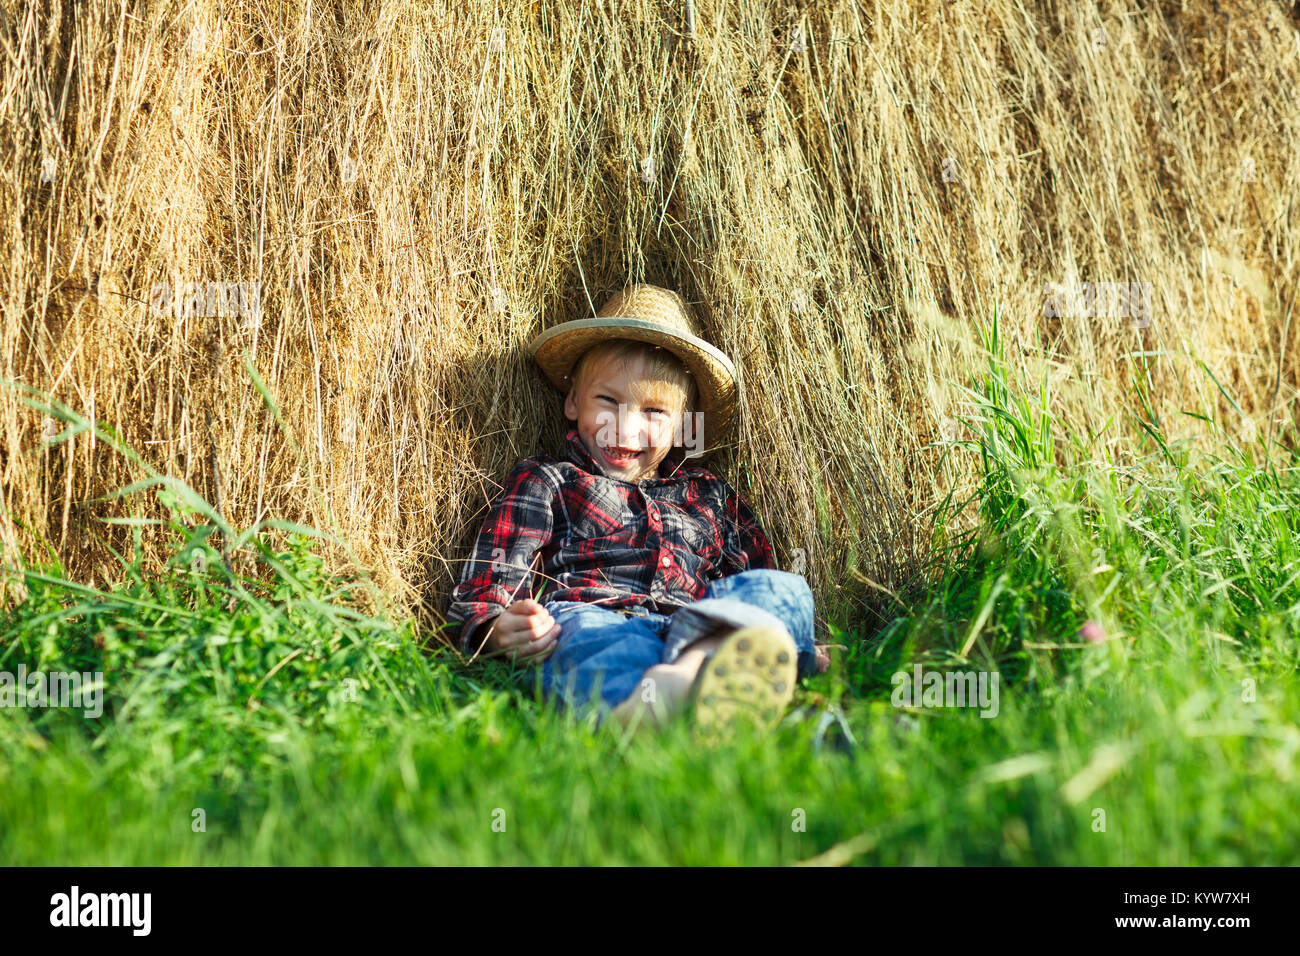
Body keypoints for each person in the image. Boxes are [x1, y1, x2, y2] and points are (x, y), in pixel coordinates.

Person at [446, 283, 826, 734]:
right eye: (607, 401)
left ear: (684, 425)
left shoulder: (709, 496)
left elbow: (751, 580)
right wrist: (494, 629)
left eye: (654, 412)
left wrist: (804, 637)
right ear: (573, 402)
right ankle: (656, 706)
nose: (625, 427)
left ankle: (694, 677)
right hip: (595, 616)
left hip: (697, 624)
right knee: (597, 653)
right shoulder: (552, 480)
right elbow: (491, 577)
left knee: (784, 589)